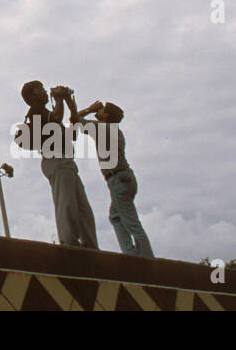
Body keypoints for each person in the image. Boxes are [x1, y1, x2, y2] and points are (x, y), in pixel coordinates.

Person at [14, 80, 98, 249]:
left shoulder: (46, 112)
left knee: (83, 209)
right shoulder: (36, 112)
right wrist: (60, 100)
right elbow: (56, 119)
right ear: (31, 97)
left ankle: (90, 246)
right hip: (56, 160)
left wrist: (69, 103)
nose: (45, 93)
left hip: (66, 162)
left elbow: (72, 132)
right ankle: (69, 244)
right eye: (40, 90)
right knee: (67, 204)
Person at [74, 99, 154, 258]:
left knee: (131, 223)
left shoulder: (101, 128)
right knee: (116, 216)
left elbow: (75, 120)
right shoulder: (115, 130)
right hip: (125, 178)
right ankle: (131, 254)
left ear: (106, 115)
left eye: (103, 109)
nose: (100, 110)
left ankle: (147, 260)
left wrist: (89, 109)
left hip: (117, 179)